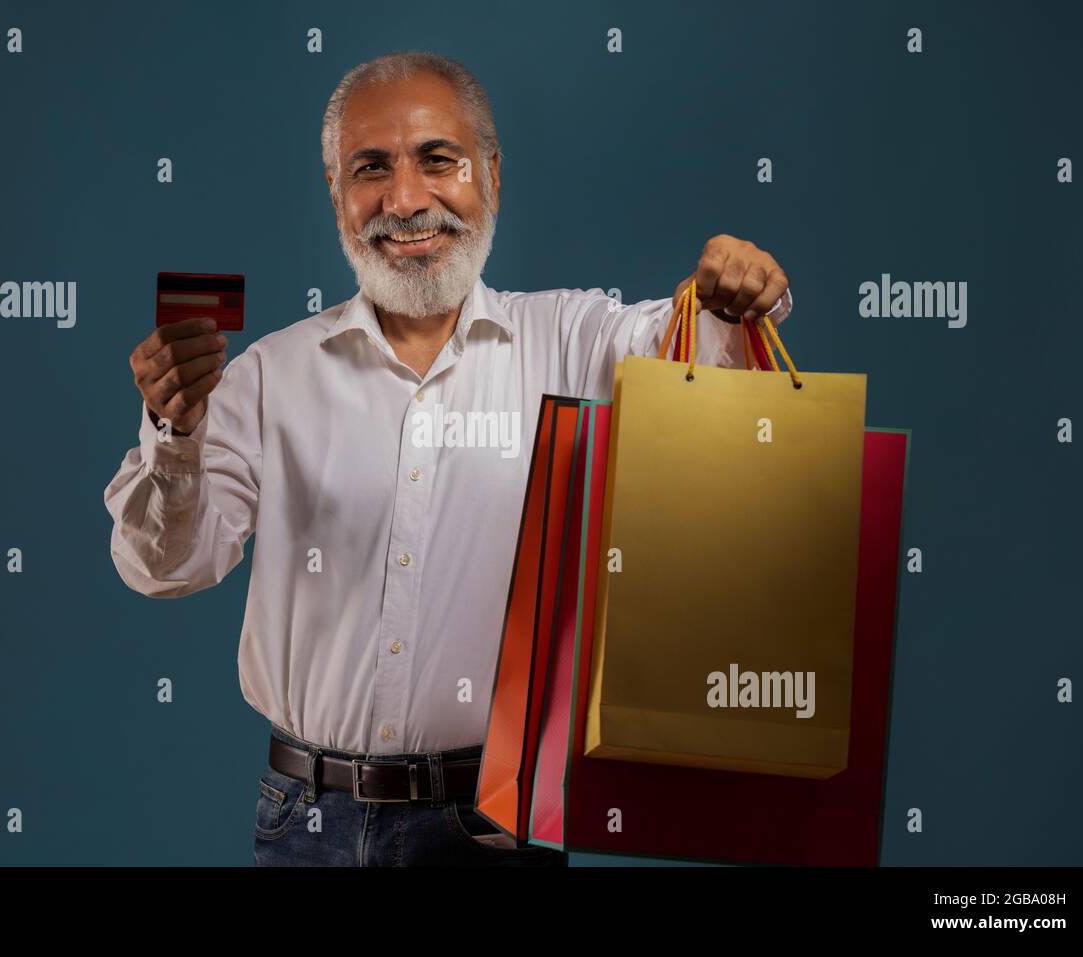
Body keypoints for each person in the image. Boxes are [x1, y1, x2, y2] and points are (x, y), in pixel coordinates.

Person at [103, 51, 793, 867]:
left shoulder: (569, 339)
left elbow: (706, 375)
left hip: (494, 823)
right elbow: (166, 565)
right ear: (336, 194)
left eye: (439, 159)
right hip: (305, 827)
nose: (405, 200)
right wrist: (173, 432)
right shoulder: (267, 376)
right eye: (371, 169)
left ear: (491, 175)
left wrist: (735, 297)